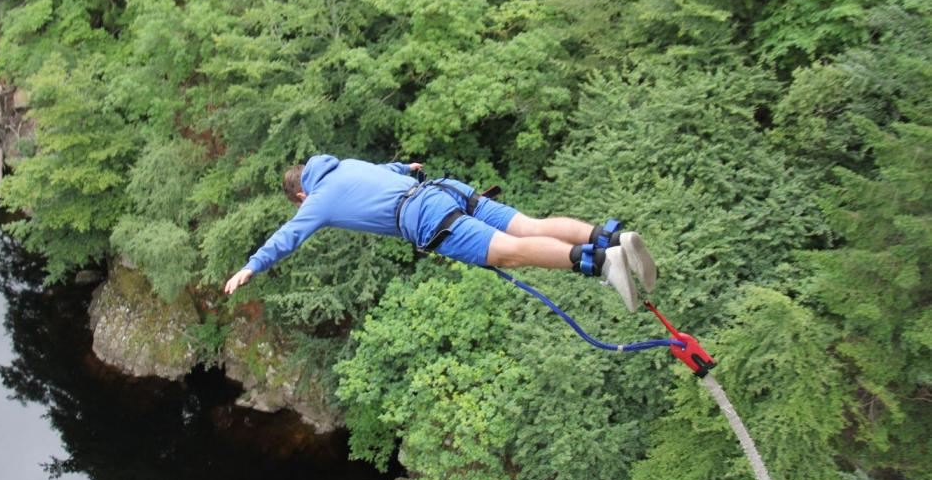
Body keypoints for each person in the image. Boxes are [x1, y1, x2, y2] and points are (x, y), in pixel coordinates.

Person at [223, 155, 657, 311]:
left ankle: (601, 262)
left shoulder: (316, 199)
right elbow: (386, 171)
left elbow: (288, 236)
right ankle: (612, 237)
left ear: (300, 193)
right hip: (441, 189)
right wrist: (405, 169)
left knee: (511, 251)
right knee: (530, 224)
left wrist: (251, 266)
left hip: (425, 217)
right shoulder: (344, 165)